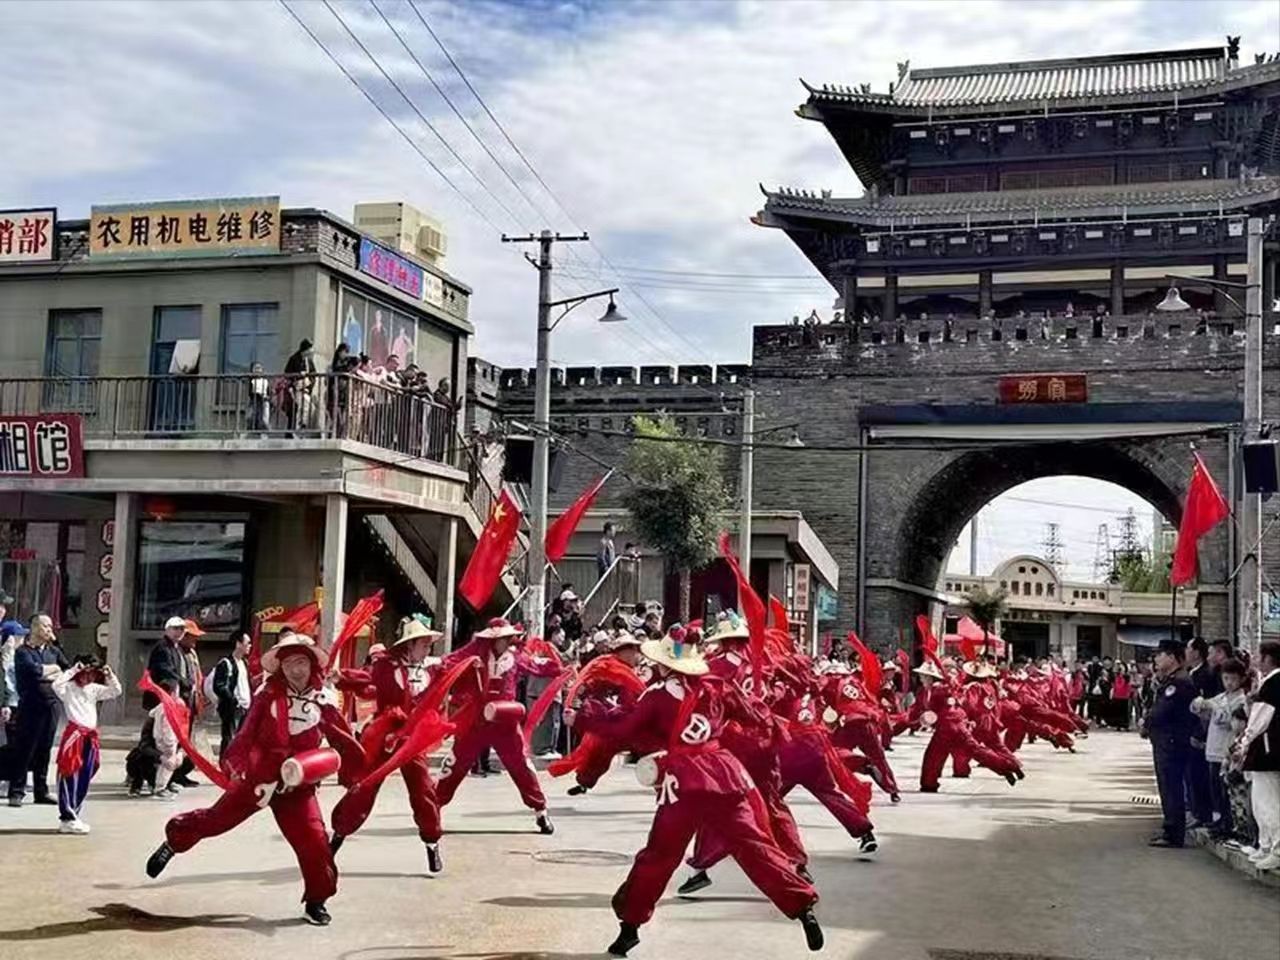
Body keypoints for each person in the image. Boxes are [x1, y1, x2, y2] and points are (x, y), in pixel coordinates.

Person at [570, 625, 822, 958]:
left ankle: (629, 930)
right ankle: (802, 904)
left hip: (683, 783)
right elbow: (754, 716)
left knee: (658, 857)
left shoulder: (658, 695)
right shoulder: (719, 688)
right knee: (755, 845)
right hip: (726, 774)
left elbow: (623, 730)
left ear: (664, 664)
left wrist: (586, 717)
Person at [146, 633, 365, 926]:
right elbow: (246, 734)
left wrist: (356, 774)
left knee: (314, 841)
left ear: (311, 664)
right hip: (259, 777)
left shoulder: (324, 701)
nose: (295, 670)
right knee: (215, 820)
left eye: (301, 662)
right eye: (288, 664)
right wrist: (235, 763)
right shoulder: (267, 696)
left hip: (298, 785)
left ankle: (316, 900)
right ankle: (173, 842)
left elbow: (343, 741)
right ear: (280, 667)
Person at [330, 616, 447, 875]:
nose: (428, 648)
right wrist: (342, 677)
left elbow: (454, 674)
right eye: (424, 644)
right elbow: (366, 679)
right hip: (385, 735)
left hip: (412, 739)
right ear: (411, 644)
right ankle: (336, 839)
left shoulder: (432, 670)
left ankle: (431, 843)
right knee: (364, 787)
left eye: (429, 644)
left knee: (424, 791)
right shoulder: (386, 666)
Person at [434, 618, 562, 835]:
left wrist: (560, 666)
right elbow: (447, 663)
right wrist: (465, 667)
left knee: (521, 765)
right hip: (476, 721)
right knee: (455, 765)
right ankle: (433, 808)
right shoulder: (474, 653)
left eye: (506, 637)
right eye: (501, 638)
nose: (505, 641)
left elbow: (541, 667)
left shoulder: (516, 657)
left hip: (506, 723)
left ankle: (540, 810)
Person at [51, 656, 122, 833]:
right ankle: (67, 816)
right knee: (69, 773)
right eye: (86, 672)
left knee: (86, 773)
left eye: (92, 673)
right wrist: (74, 670)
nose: (88, 676)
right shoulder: (68, 688)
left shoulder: (93, 689)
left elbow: (115, 691)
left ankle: (74, 814)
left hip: (90, 736)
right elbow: (55, 685)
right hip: (75, 734)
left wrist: (109, 675)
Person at [1141, 639, 1198, 848]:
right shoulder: (1169, 681)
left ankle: (1173, 832)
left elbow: (1162, 711)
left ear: (1172, 657)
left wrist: (1146, 722)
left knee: (1171, 786)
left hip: (1172, 742)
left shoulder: (1179, 683)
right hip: (1166, 740)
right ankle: (1170, 827)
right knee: (1167, 786)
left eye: (1160, 654)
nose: (1156, 659)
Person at [6, 614, 68, 806]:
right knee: (25, 748)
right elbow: (33, 671)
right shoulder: (23, 651)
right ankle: (17, 791)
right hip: (30, 706)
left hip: (51, 706)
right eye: (46, 626)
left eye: (51, 626)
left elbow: (67, 670)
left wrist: (50, 669)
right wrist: (51, 670)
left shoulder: (53, 651)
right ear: (35, 627)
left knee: (45, 748)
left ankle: (41, 790)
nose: (50, 629)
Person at [1233, 640, 1280, 871]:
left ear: (1268, 659)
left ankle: (1276, 848)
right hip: (1268, 749)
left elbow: (1259, 720)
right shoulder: (1268, 683)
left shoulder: (1273, 684)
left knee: (1267, 801)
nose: (1255, 659)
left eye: (1259, 655)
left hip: (1269, 750)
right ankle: (1266, 844)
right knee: (1262, 800)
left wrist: (1243, 742)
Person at [1193, 658, 1249, 841]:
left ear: (1241, 679)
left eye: (1233, 679)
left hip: (1226, 752)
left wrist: (1214, 708)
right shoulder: (1221, 697)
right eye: (1226, 678)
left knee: (1227, 792)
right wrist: (1200, 704)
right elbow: (1204, 711)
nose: (1229, 683)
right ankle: (1220, 821)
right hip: (1212, 750)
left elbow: (1227, 720)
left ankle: (1228, 824)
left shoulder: (1242, 700)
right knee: (1215, 790)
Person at [1185, 638, 1219, 828]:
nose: (1186, 652)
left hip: (1200, 732)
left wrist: (1200, 734)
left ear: (1197, 652)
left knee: (1199, 774)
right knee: (1191, 774)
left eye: (1189, 649)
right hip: (1189, 730)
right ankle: (1195, 809)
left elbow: (1206, 707)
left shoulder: (1206, 674)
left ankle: (1203, 812)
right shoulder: (1192, 673)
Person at [210, 632, 253, 759]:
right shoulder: (225, 663)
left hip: (245, 707)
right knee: (229, 738)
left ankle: (235, 766)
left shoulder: (244, 663)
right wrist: (233, 700)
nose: (250, 646)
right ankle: (225, 766)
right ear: (238, 644)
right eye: (247, 643)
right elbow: (219, 686)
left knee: (240, 739)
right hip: (233, 708)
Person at [283, 338, 317, 434]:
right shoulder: (294, 359)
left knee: (307, 407)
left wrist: (309, 383)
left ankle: (303, 424)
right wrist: (297, 377)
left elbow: (313, 374)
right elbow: (287, 374)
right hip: (296, 388)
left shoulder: (309, 361)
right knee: (297, 408)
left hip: (305, 388)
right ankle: (295, 429)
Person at [247, 361, 271, 433]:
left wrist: (268, 396)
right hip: (255, 399)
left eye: (259, 368)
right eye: (255, 368)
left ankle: (264, 428)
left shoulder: (265, 380)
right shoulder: (252, 381)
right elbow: (250, 392)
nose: (257, 370)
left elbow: (268, 390)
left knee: (265, 414)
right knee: (253, 414)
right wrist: (257, 395)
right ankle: (253, 427)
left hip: (264, 399)